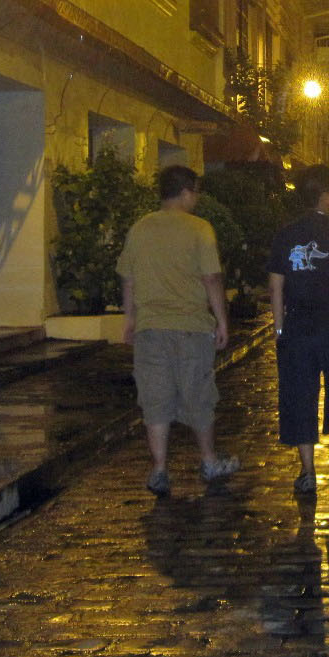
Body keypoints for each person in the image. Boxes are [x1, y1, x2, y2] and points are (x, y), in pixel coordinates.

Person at [118, 164, 237, 497]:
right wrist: (222, 321)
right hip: (190, 328)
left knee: (154, 398)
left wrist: (130, 318)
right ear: (187, 191)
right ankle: (209, 460)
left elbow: (128, 278)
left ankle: (159, 468)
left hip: (150, 329)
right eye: (196, 192)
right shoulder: (199, 229)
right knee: (198, 394)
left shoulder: (140, 229)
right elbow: (211, 278)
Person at [268, 164, 329, 495]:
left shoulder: (285, 233)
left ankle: (307, 470)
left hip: (297, 326)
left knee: (299, 394)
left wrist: (279, 329)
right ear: (325, 194)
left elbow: (276, 285)